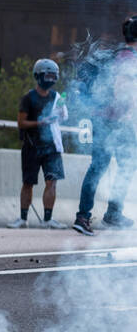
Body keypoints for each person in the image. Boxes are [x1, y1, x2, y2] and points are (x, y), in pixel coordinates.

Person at [72, 18, 137, 235]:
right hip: (116, 121)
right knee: (129, 162)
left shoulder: (116, 54)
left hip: (100, 118)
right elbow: (122, 88)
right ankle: (113, 212)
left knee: (98, 167)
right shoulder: (130, 58)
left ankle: (83, 217)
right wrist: (127, 114)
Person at [9, 58, 68, 229]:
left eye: (53, 75)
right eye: (47, 75)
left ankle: (47, 219)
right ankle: (23, 219)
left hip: (52, 148)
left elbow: (63, 117)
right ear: (38, 76)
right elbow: (21, 122)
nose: (50, 79)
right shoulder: (29, 98)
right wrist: (40, 123)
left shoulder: (57, 97)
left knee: (52, 182)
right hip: (32, 146)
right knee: (28, 182)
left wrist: (59, 111)